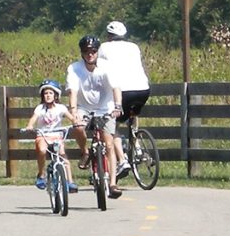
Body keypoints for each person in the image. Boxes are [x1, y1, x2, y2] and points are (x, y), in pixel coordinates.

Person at [67, 35, 124, 199]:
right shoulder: (75, 68)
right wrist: (73, 111)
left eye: (92, 51)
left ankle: (113, 183)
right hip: (84, 107)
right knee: (77, 128)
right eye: (86, 51)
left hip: (106, 107)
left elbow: (116, 88)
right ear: (82, 53)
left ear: (97, 51)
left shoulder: (107, 66)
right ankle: (85, 152)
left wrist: (118, 106)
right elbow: (73, 91)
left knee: (109, 144)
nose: (89, 54)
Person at [99, 20, 150, 180]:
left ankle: (122, 160)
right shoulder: (134, 47)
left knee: (111, 125)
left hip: (122, 91)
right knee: (133, 114)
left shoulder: (104, 47)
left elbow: (99, 67)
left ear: (109, 35)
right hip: (143, 89)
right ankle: (138, 146)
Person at [24, 79, 78, 193]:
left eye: (50, 93)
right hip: (43, 135)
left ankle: (70, 181)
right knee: (42, 150)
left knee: (63, 157)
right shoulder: (40, 109)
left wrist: (75, 122)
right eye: (45, 93)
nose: (48, 96)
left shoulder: (61, 108)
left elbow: (71, 117)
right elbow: (33, 118)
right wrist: (29, 125)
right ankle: (41, 174)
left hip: (57, 136)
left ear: (56, 95)